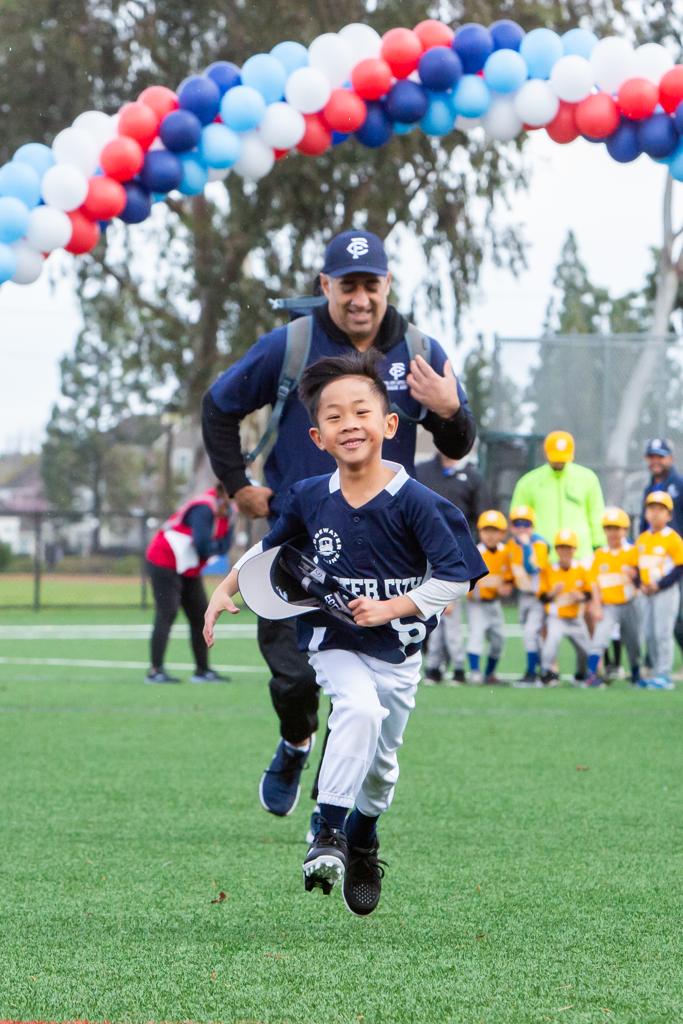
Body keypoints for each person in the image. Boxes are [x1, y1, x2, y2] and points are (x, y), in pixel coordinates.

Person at [202, 229, 476, 821]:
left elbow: (458, 442)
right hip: (296, 547)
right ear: (325, 285)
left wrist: (451, 409)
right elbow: (219, 406)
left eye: (370, 285)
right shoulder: (291, 345)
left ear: (387, 284)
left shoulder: (420, 351)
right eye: (347, 285)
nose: (360, 298)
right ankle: (295, 740)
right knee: (293, 679)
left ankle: (335, 816)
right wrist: (238, 485)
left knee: (366, 695)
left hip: (386, 555)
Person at [203, 351, 486, 916]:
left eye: (361, 411)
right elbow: (272, 549)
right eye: (334, 416)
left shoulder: (420, 504)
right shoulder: (309, 496)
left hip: (397, 652)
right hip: (332, 640)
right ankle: (328, 829)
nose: (349, 423)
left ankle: (362, 836)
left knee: (381, 772)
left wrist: (393, 608)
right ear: (318, 436)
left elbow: (456, 578)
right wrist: (227, 586)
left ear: (390, 425)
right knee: (357, 708)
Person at [145, 483, 232, 683]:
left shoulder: (229, 511)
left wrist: (214, 546)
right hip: (164, 560)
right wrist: (214, 547)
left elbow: (224, 546)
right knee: (167, 612)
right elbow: (202, 545)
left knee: (200, 614)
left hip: (188, 565)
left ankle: (202, 670)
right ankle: (155, 670)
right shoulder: (205, 507)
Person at [417, 452, 491, 684]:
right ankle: (433, 665)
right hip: (421, 556)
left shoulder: (473, 476)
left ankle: (456, 666)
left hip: (457, 558)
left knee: (452, 618)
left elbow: (483, 519)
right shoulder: (421, 471)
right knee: (426, 614)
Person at [510, 430, 605, 562]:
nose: (559, 462)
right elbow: (517, 519)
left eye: (563, 458)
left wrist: (599, 546)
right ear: (545, 453)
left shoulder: (588, 479)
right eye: (556, 458)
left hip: (581, 556)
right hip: (542, 558)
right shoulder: (528, 482)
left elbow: (596, 515)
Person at [587, 507, 641, 688]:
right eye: (609, 528)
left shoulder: (632, 551)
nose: (613, 533)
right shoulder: (600, 554)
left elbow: (642, 579)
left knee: (633, 642)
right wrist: (596, 605)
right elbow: (594, 583)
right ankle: (591, 675)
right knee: (600, 638)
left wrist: (635, 576)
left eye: (617, 528)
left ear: (625, 530)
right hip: (608, 605)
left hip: (629, 604)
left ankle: (636, 674)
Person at [635, 491, 683, 690]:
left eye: (660, 509)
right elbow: (636, 566)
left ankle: (664, 674)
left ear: (669, 515)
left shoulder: (672, 538)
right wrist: (640, 583)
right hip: (647, 593)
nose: (655, 513)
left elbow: (679, 567)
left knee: (662, 633)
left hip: (665, 592)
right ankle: (655, 672)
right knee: (649, 633)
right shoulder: (643, 539)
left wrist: (660, 584)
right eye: (651, 508)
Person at [639, 438, 683, 656]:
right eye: (651, 457)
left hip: (676, 560)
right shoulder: (649, 488)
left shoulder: (679, 485)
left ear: (670, 458)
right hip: (654, 562)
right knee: (652, 619)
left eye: (660, 456)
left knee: (678, 616)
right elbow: (643, 525)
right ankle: (652, 663)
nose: (655, 461)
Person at [538, 529, 593, 687]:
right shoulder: (550, 570)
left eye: (568, 547)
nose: (565, 551)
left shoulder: (581, 569)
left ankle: (581, 674)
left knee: (585, 650)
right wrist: (553, 593)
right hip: (557, 618)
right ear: (556, 549)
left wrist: (580, 597)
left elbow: (588, 593)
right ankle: (547, 673)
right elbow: (542, 597)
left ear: (574, 549)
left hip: (576, 618)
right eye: (561, 547)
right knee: (551, 643)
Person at [467, 510, 513, 685]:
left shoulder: (505, 552)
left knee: (499, 639)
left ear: (503, 533)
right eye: (487, 530)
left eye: (495, 530)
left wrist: (506, 588)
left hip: (494, 604)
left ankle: (490, 673)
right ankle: (475, 672)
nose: (490, 535)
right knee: (476, 636)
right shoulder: (475, 552)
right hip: (477, 604)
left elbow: (508, 579)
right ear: (480, 531)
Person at [506, 505, 550, 686]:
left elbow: (531, 568)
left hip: (538, 597)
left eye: (526, 524)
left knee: (531, 633)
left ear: (533, 526)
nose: (522, 528)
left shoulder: (539, 544)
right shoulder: (511, 545)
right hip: (523, 597)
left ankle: (533, 673)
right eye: (518, 524)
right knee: (531, 635)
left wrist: (525, 546)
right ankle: (544, 671)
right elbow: (511, 570)